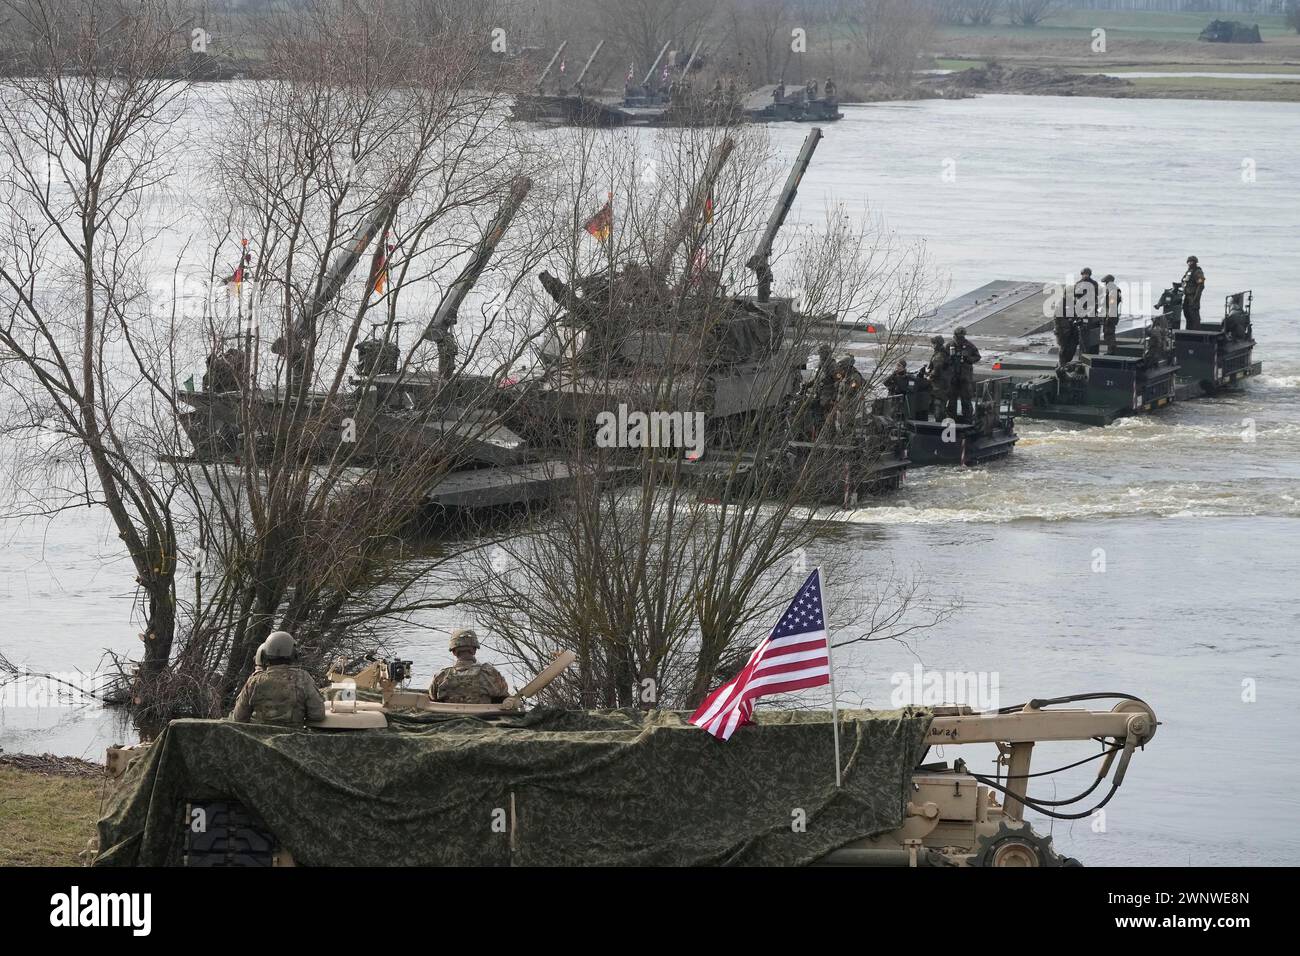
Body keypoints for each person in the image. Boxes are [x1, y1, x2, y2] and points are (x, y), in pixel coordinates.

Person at [230, 631, 325, 727]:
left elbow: (238, 718)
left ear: (264, 654)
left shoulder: (254, 681)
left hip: (257, 739)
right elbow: (317, 715)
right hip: (293, 739)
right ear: (294, 654)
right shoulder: (303, 678)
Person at [429, 629, 509, 705]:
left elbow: (433, 698)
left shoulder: (441, 676)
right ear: (474, 650)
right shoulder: (490, 673)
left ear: (454, 652)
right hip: (484, 717)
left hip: (449, 716)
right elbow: (504, 697)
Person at [947, 327, 980, 422]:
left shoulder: (969, 345)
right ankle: (951, 419)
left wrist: (968, 359)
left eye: (961, 337)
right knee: (952, 400)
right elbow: (944, 357)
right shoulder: (950, 345)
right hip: (953, 377)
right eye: (958, 337)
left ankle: (967, 419)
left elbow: (977, 356)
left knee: (966, 400)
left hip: (965, 378)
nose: (959, 339)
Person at [927, 335, 951, 421]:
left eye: (933, 343)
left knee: (938, 404)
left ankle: (939, 422)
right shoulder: (941, 353)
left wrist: (929, 376)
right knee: (939, 404)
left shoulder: (939, 355)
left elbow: (937, 368)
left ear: (937, 344)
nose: (932, 345)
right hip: (941, 383)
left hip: (939, 385)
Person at [1101, 274, 1122, 355]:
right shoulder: (1114, 290)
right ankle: (1111, 351)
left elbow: (1112, 306)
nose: (1105, 284)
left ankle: (1111, 352)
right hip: (1111, 315)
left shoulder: (1113, 292)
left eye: (1106, 283)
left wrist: (1108, 317)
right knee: (1109, 334)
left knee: (1109, 334)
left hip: (1110, 316)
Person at [1182, 256, 1205, 329]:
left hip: (1193, 296)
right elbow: (1185, 282)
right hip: (1187, 296)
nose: (1190, 263)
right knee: (1187, 313)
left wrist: (1196, 298)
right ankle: (1188, 330)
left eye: (1191, 262)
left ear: (1195, 262)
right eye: (1189, 262)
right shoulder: (1189, 271)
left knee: (1194, 315)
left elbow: (1200, 285)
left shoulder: (1198, 272)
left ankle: (1196, 332)